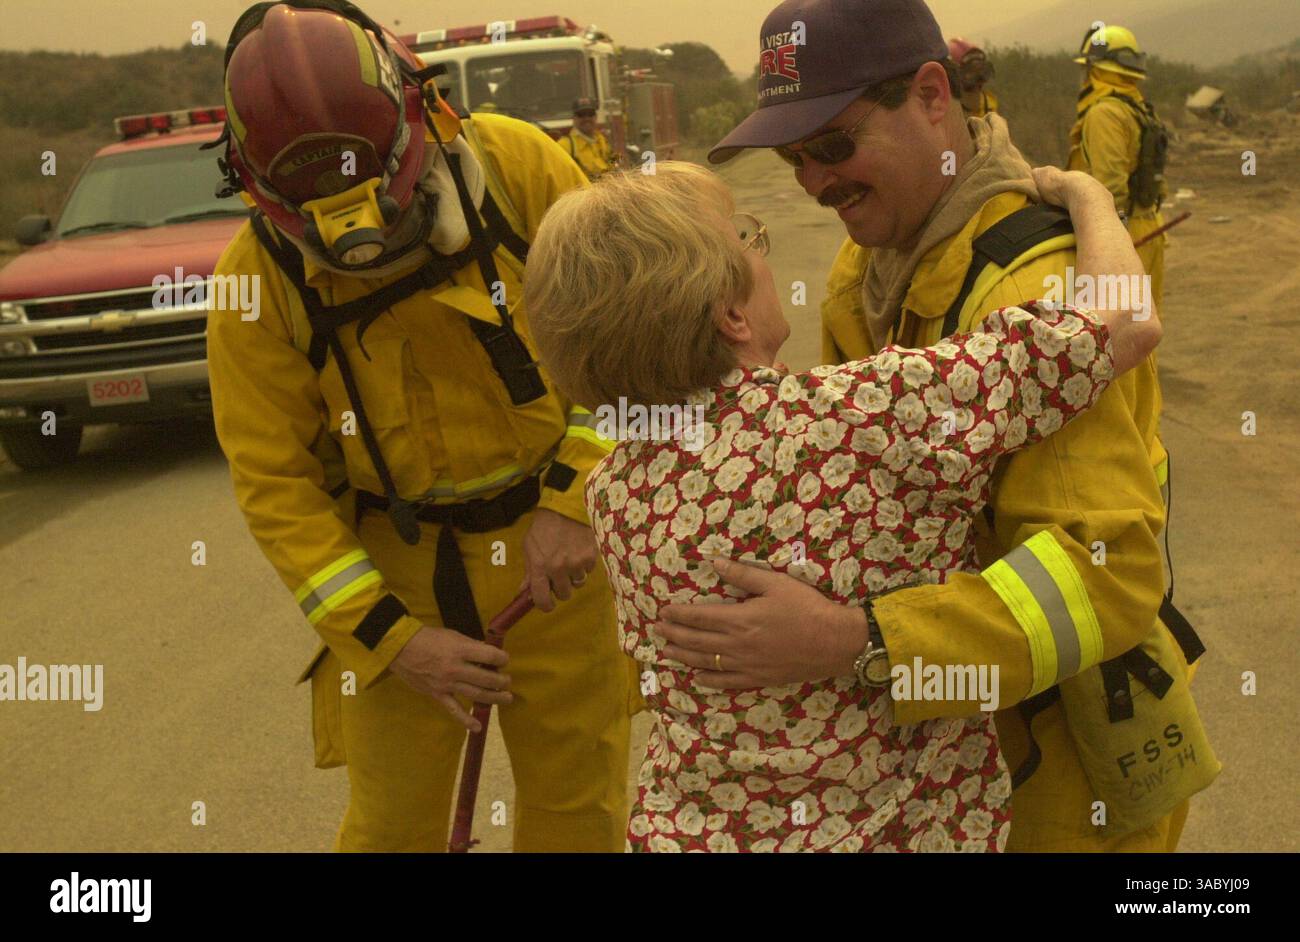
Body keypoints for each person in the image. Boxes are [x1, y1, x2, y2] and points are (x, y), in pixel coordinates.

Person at [687, 0, 1217, 852]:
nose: (815, 183)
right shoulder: (872, 259)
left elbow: (1105, 576)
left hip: (1056, 756)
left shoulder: (1034, 288)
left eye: (832, 145)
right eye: (793, 159)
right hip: (945, 745)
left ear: (933, 97)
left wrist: (852, 640)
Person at [524, 160, 1162, 852]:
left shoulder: (610, 493)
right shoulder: (863, 415)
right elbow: (1124, 320)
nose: (762, 253)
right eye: (747, 240)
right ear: (731, 314)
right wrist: (1085, 192)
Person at [204, 0, 634, 852]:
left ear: (422, 112)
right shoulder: (253, 286)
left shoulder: (515, 167)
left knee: (576, 816)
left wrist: (575, 501)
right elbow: (277, 489)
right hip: (397, 573)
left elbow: (629, 341)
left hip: (555, 561)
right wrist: (391, 641)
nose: (359, 236)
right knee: (391, 829)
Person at [1068, 24, 1171, 310]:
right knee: (1143, 324)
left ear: (1095, 68)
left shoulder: (1104, 113)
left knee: (1116, 331)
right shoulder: (1137, 107)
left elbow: (1110, 188)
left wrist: (1109, 247)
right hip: (1149, 227)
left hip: (1124, 236)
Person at [565, 98, 617, 180]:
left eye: (590, 114)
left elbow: (614, 164)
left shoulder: (602, 140)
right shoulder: (565, 145)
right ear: (574, 119)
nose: (587, 119)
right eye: (581, 115)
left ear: (596, 117)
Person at [948, 38, 998, 118]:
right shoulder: (946, 113)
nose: (978, 79)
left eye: (980, 70)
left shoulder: (989, 106)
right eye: (970, 72)